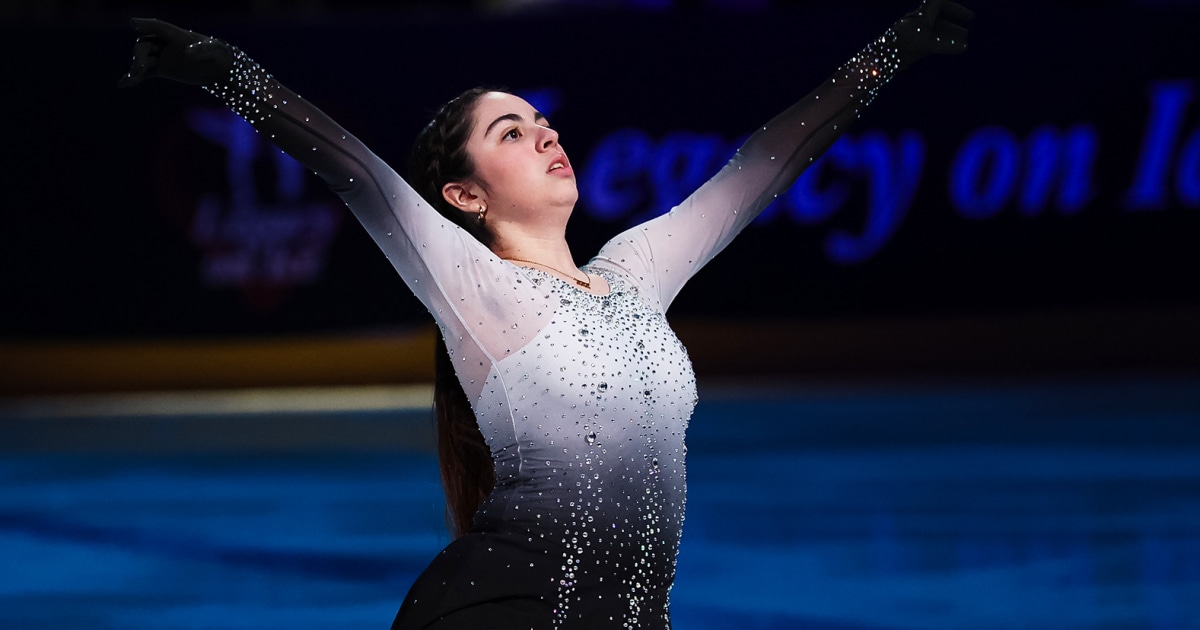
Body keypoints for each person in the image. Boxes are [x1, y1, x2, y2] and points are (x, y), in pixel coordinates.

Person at [120, 2, 971, 627]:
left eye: (542, 121)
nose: (545, 132)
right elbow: (351, 167)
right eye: (511, 133)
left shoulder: (637, 272)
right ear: (463, 194)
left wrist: (886, 55)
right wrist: (215, 65)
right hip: (498, 611)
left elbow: (763, 169)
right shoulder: (474, 284)